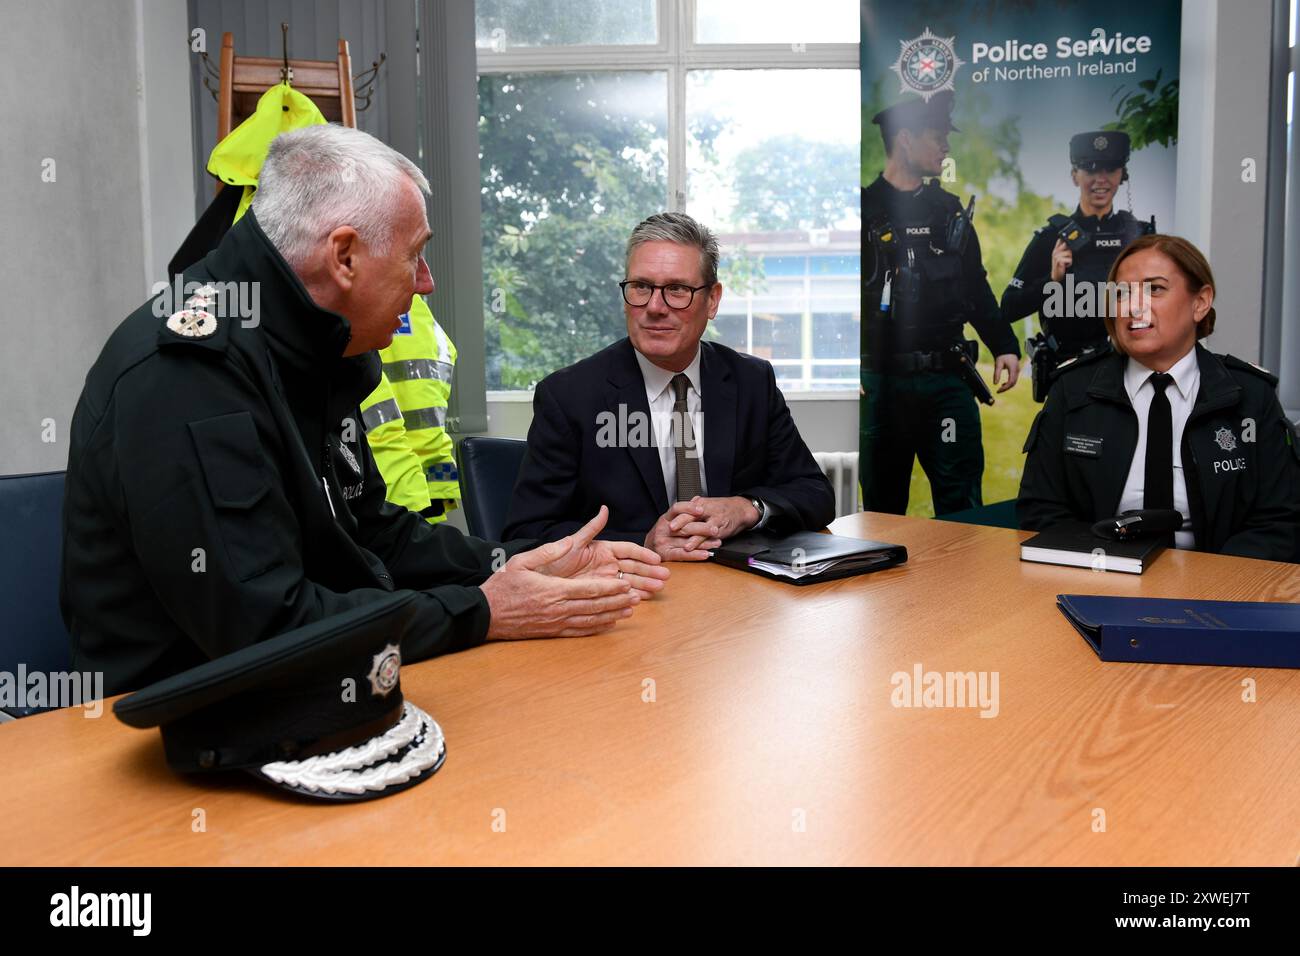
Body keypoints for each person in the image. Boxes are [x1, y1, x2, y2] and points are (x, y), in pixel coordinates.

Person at [62, 125, 669, 696]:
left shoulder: (313, 346)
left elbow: (377, 533)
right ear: (344, 256)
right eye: (415, 256)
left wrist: (523, 564)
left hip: (319, 688)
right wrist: (484, 611)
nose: (426, 282)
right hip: (176, 723)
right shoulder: (187, 375)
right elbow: (264, 627)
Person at [501, 212, 835, 560]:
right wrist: (642, 543)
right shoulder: (569, 396)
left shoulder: (751, 381)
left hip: (733, 583)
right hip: (631, 585)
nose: (655, 307)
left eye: (677, 289)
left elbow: (815, 493)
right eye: (641, 287)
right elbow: (526, 535)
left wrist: (746, 507)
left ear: (712, 300)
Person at [1017, 234, 1300, 561]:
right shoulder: (1072, 390)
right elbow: (1041, 510)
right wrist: (1104, 569)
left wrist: (1214, 581)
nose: (1134, 306)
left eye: (1154, 289)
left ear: (1200, 302)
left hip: (1219, 585)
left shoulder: (1251, 396)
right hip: (1098, 577)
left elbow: (1280, 520)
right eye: (1122, 293)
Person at [861, 91, 1022, 516]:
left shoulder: (948, 211)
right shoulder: (861, 211)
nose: (946, 147)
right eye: (937, 137)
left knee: (963, 509)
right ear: (906, 139)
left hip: (948, 381)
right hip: (882, 384)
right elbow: (840, 299)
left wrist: (1004, 344)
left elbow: (975, 286)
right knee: (882, 512)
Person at [1001, 130, 1156, 401]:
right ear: (1075, 176)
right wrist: (1052, 281)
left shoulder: (1140, 237)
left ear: (1123, 174)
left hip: (1127, 379)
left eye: (1110, 169)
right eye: (1090, 169)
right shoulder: (1051, 238)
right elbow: (1008, 307)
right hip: (1068, 379)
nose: (1101, 179)